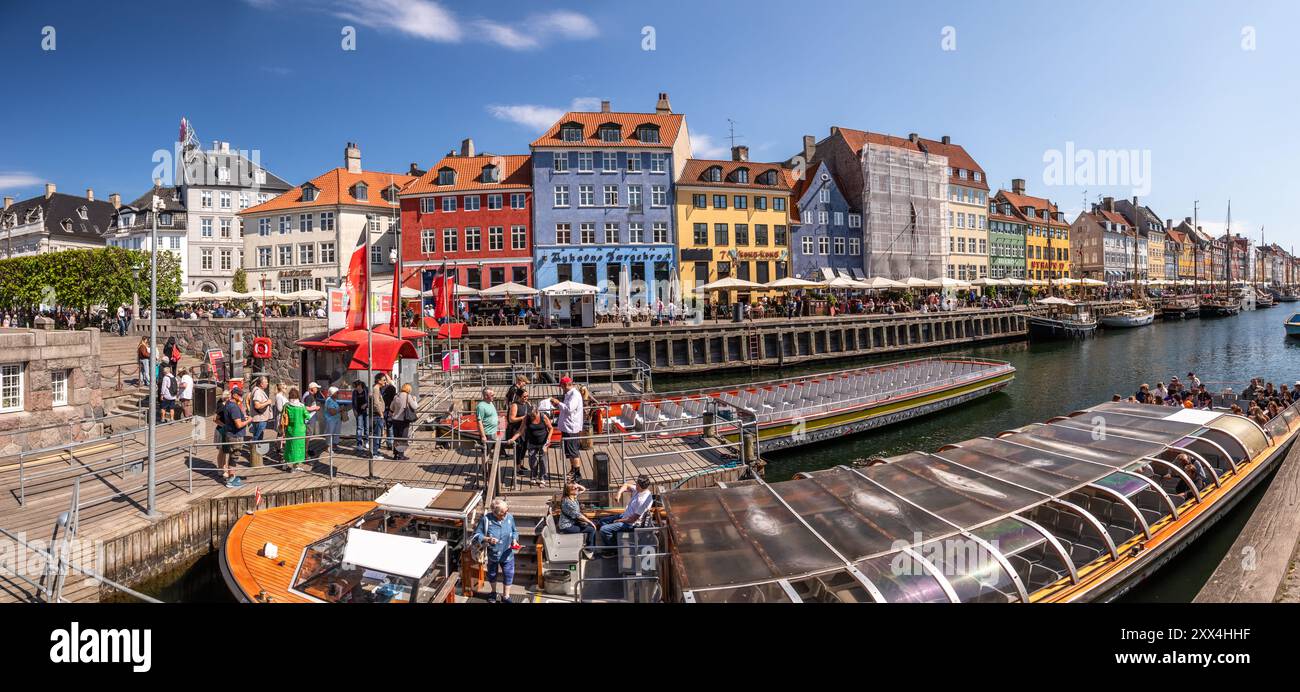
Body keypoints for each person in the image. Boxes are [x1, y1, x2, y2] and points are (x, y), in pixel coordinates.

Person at [471, 497, 519, 603]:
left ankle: (506, 596)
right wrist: (487, 539)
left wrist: (515, 540)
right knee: (492, 574)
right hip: (493, 555)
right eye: (502, 514)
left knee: (509, 574)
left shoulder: (510, 517)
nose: (505, 515)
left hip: (508, 554)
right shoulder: (486, 520)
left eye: (506, 512)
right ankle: (493, 592)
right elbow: (476, 535)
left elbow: (515, 531)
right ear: (494, 513)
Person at [595, 475, 654, 557]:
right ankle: (612, 539)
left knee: (604, 529)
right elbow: (626, 485)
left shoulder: (643, 501)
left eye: (637, 484)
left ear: (640, 487)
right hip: (625, 515)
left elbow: (633, 519)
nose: (635, 485)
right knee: (602, 521)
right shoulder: (640, 490)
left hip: (631, 524)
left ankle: (613, 550)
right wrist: (618, 493)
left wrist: (619, 521)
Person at [550, 376, 584, 483]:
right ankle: (573, 470)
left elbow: (569, 409)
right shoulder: (569, 394)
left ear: (566, 385)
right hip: (567, 427)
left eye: (562, 387)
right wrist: (558, 404)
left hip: (571, 428)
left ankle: (578, 474)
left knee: (573, 452)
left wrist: (558, 403)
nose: (561, 389)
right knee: (569, 452)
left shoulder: (574, 395)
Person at [507, 406, 553, 484]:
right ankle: (533, 477)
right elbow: (520, 431)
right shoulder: (526, 418)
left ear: (537, 412)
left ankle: (542, 478)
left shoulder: (543, 416)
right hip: (532, 442)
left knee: (543, 460)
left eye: (533, 415)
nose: (532, 417)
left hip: (543, 442)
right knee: (532, 460)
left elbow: (551, 428)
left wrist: (548, 439)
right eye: (530, 415)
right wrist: (512, 439)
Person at [217, 386, 249, 487]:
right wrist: (249, 420)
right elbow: (238, 424)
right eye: (239, 395)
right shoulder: (234, 407)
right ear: (234, 395)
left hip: (230, 434)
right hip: (236, 436)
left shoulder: (227, 404)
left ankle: (232, 477)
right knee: (234, 457)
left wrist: (243, 418)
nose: (241, 397)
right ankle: (231, 480)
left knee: (232, 456)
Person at [555, 481, 597, 550]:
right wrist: (590, 522)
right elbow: (579, 515)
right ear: (569, 491)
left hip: (572, 522)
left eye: (577, 488)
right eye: (575, 489)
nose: (577, 489)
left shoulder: (573, 496)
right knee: (592, 529)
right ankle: (589, 550)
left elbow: (583, 489)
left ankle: (592, 546)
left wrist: (577, 485)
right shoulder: (569, 502)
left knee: (592, 525)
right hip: (567, 526)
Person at [388, 383, 418, 460]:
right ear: (408, 389)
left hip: (395, 420)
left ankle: (395, 454)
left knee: (396, 437)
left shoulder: (396, 396)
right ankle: (401, 455)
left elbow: (391, 407)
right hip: (404, 420)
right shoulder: (408, 396)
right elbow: (415, 406)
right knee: (403, 438)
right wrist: (415, 400)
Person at [505, 389, 532, 473]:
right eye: (524, 396)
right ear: (519, 396)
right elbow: (511, 419)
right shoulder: (515, 405)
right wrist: (523, 417)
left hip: (526, 429)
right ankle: (517, 468)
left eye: (527, 396)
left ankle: (520, 464)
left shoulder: (527, 404)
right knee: (518, 448)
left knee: (525, 448)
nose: (526, 398)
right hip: (516, 429)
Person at [281, 388, 308, 470]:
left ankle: (285, 464)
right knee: (299, 448)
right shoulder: (301, 406)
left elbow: (283, 417)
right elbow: (307, 416)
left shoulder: (286, 406)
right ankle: (295, 466)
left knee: (289, 447)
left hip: (290, 430)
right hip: (300, 430)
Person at [249, 377, 273, 443]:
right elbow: (257, 405)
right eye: (266, 382)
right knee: (257, 437)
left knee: (258, 437)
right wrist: (267, 402)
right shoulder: (258, 392)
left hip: (260, 418)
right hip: (259, 419)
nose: (267, 383)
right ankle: (254, 451)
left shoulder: (258, 390)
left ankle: (256, 451)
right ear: (261, 384)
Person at [369, 375, 388, 460]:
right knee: (377, 434)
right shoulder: (376, 389)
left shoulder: (376, 389)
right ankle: (374, 453)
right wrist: (381, 414)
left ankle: (375, 451)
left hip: (377, 414)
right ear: (378, 381)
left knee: (378, 434)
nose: (385, 381)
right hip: (377, 415)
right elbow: (376, 403)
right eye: (384, 380)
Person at [351, 380, 371, 455]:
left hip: (366, 411)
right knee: (359, 427)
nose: (356, 388)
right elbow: (353, 402)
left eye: (356, 387)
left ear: (360, 385)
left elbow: (370, 400)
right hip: (358, 411)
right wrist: (354, 411)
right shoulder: (354, 392)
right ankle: (359, 444)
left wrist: (366, 404)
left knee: (367, 427)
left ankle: (366, 441)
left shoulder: (366, 390)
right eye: (355, 387)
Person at [322, 386, 343, 452]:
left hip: (336, 419)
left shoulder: (334, 400)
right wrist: (340, 409)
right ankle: (328, 446)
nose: (338, 394)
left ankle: (334, 445)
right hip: (330, 420)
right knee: (330, 433)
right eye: (337, 392)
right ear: (333, 393)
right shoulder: (329, 400)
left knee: (336, 432)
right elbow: (332, 412)